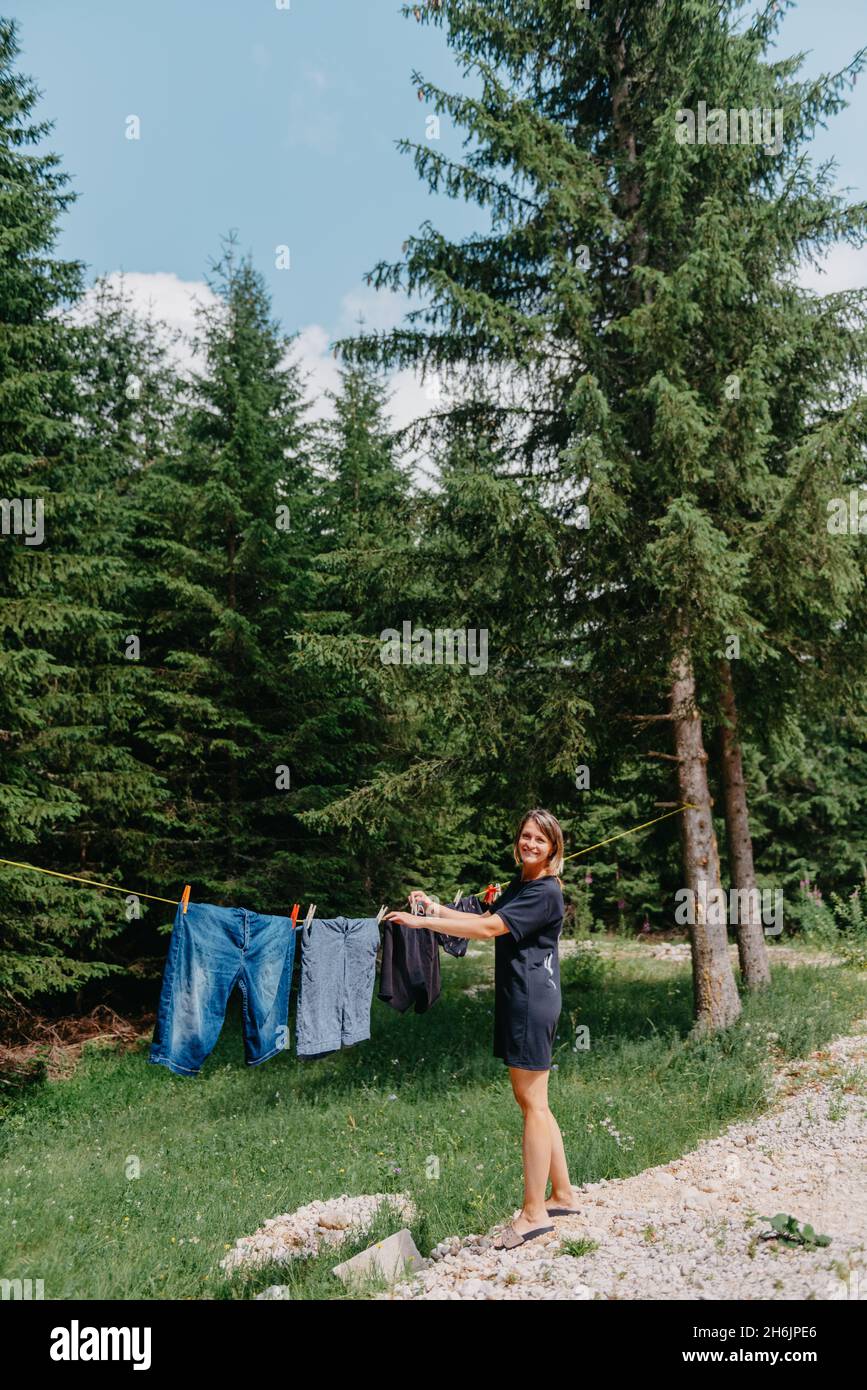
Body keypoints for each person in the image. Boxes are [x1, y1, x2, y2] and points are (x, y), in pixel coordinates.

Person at [385, 808, 581, 1249]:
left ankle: (533, 1213)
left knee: (531, 1104)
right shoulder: (524, 884)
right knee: (536, 1101)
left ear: (553, 848)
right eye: (525, 836)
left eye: (540, 840)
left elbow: (489, 927)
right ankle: (563, 1194)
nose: (530, 844)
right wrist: (434, 906)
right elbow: (484, 913)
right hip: (526, 997)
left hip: (531, 1001)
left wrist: (422, 922)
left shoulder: (546, 892)